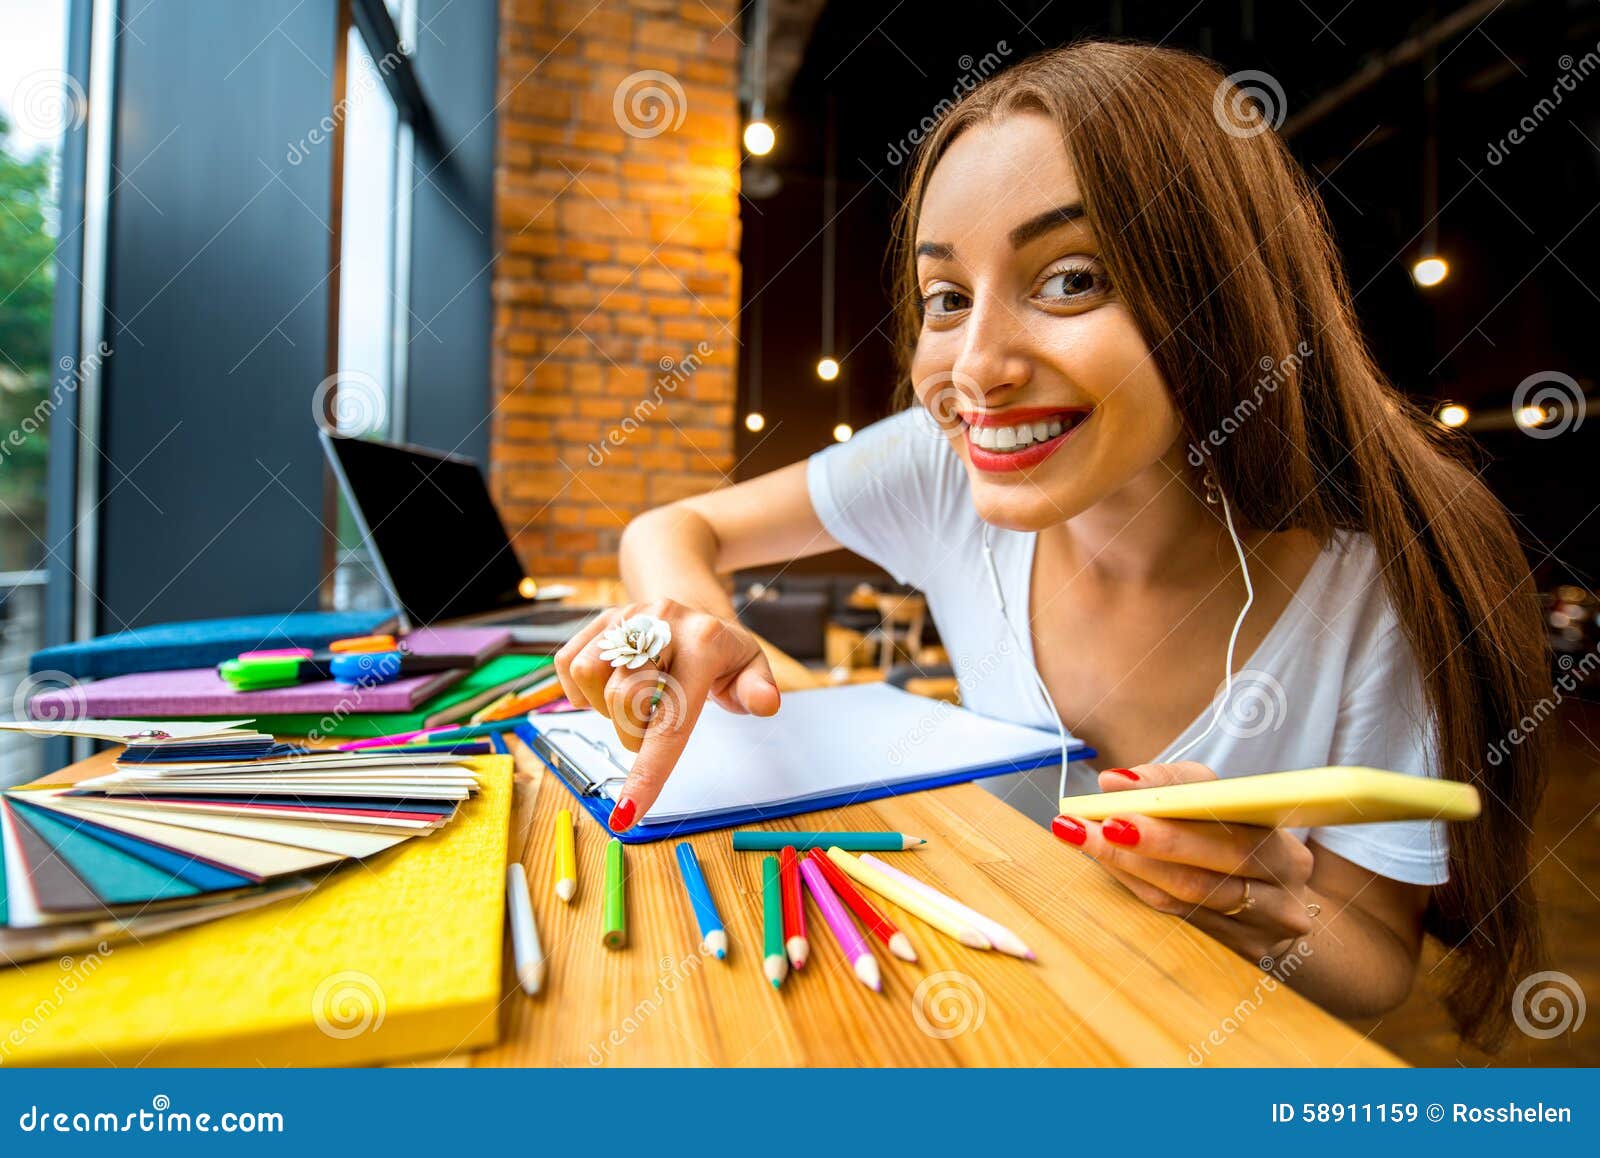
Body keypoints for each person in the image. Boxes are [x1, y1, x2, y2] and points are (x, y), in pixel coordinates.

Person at [554, 41, 1547, 1049]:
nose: (974, 368)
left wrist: (1259, 902)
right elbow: (669, 528)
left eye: (1070, 280)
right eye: (946, 299)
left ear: (1224, 294)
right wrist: (689, 631)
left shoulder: (1372, 591)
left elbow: (1377, 962)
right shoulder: (940, 469)